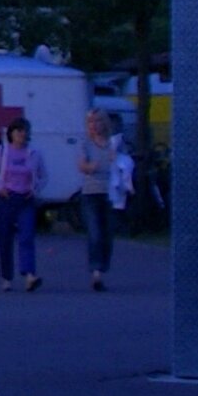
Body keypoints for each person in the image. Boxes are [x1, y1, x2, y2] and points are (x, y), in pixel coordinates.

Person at [0, 117, 47, 292]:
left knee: (26, 236)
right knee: (5, 238)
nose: (22, 134)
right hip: (6, 198)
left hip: (25, 199)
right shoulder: (2, 151)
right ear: (11, 133)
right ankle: (6, 277)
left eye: (25, 131)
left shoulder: (34, 154)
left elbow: (44, 176)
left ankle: (29, 274)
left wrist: (36, 189)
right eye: (19, 130)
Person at [77, 107, 119, 291]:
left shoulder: (114, 143)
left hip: (111, 193)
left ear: (105, 123)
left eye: (97, 122)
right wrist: (89, 167)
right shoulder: (85, 144)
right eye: (91, 123)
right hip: (91, 193)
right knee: (94, 232)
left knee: (107, 234)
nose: (94, 126)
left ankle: (103, 265)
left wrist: (117, 160)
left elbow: (124, 164)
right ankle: (96, 273)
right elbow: (81, 165)